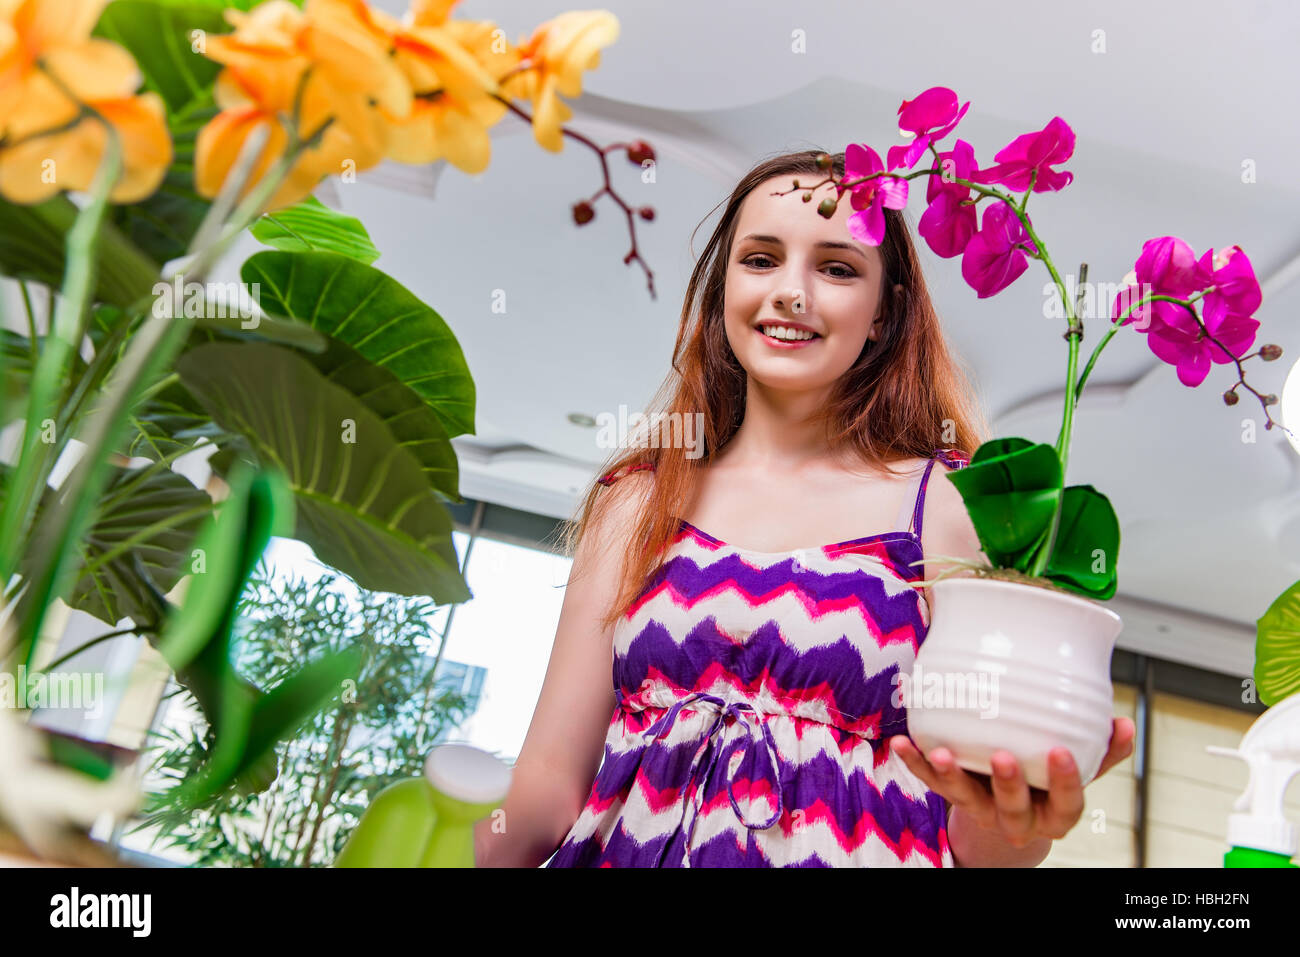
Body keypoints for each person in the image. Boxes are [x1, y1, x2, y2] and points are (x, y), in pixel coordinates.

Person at [473, 149, 1135, 868]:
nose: (792, 291)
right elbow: (546, 787)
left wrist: (1020, 819)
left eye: (837, 267)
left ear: (883, 313)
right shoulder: (637, 501)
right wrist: (444, 840)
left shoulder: (946, 506)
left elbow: (976, 839)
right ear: (722, 287)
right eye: (760, 259)